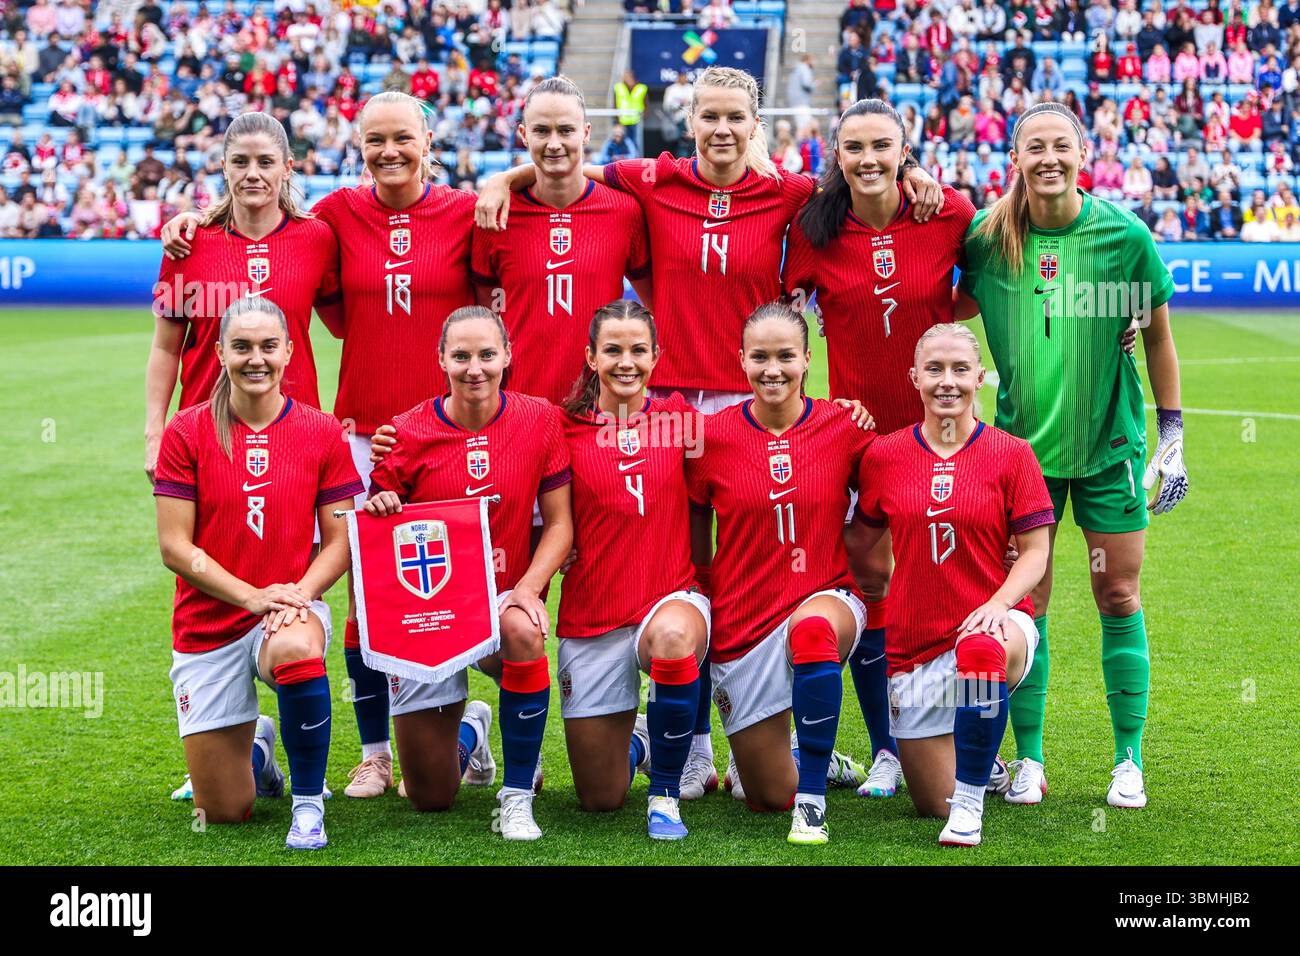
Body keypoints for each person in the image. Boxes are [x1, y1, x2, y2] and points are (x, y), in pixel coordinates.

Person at [162, 91, 478, 801]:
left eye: (404, 138)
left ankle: (465, 726)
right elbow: (321, 297)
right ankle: (371, 753)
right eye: (375, 141)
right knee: (361, 599)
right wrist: (195, 219)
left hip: (443, 432)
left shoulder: (465, 210)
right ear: (356, 147)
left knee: (445, 592)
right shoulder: (334, 216)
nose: (390, 152)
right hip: (359, 433)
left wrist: (506, 179)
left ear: (430, 139)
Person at [957, 102, 1186, 810]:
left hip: (1110, 447)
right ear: (1016, 157)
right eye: (1035, 147)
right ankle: (1029, 760)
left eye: (1061, 146)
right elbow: (942, 304)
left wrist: (1173, 435)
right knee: (1027, 604)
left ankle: (1128, 760)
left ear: (1083, 153)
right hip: (1021, 456)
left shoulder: (1124, 236)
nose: (1048, 158)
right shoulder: (987, 241)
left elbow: (1156, 337)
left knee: (1118, 594)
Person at [783, 98, 977, 802]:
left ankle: (970, 744)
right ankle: (889, 746)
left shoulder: (946, 213)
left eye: (883, 146)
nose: (868, 159)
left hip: (941, 439)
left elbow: (989, 287)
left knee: (950, 584)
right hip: (861, 444)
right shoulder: (815, 228)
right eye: (854, 147)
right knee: (873, 592)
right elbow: (782, 321)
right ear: (836, 155)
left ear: (906, 151)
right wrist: (821, 405)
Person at [153, 296, 364, 849]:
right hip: (209, 623)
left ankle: (308, 804)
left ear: (289, 352)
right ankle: (259, 751)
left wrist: (298, 595)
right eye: (242, 346)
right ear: (219, 352)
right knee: (225, 810)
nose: (256, 358)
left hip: (289, 609)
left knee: (295, 647)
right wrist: (251, 597)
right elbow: (175, 547)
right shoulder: (187, 431)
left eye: (269, 346)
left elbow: (342, 539)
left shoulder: (320, 431)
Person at [363, 307, 572, 841]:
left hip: (502, 597)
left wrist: (526, 590)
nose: (474, 367)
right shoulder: (407, 432)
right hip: (432, 610)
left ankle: (518, 793)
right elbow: (379, 532)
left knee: (523, 631)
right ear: (441, 360)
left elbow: (560, 524)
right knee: (430, 798)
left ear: (507, 355)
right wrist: (383, 502)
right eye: (461, 356)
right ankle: (472, 733)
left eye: (486, 354)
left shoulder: (541, 419)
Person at [851, 323, 1053, 846]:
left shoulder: (1012, 454)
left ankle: (969, 808)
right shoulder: (885, 456)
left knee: (981, 652)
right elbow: (861, 542)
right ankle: (982, 764)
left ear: (980, 377)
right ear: (914, 376)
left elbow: (1035, 552)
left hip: (993, 625)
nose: (948, 381)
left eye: (961, 370)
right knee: (927, 804)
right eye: (935, 369)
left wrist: (1000, 604)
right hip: (915, 644)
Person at [687, 302, 875, 846]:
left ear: (808, 360)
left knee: (813, 631)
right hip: (743, 623)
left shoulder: (845, 425)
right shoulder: (709, 438)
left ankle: (812, 803)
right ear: (740, 360)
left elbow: (898, 488)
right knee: (766, 796)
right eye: (760, 357)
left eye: (786, 357)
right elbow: (695, 536)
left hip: (824, 598)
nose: (773, 369)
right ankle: (798, 757)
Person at [554, 301, 711, 839]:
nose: (627, 362)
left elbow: (756, 448)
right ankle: (644, 739)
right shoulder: (562, 427)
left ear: (656, 356)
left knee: (671, 638)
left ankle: (665, 793)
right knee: (601, 798)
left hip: (670, 600)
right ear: (591, 357)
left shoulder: (682, 421)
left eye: (638, 350)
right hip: (594, 611)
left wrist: (844, 413)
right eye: (613, 350)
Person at [146, 112, 339, 482]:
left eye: (265, 162)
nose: (253, 173)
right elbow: (165, 349)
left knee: (298, 542)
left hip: (295, 434)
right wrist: (155, 434)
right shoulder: (187, 243)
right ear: (223, 167)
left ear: (287, 168)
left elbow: (346, 325)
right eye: (240, 161)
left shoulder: (317, 239)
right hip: (204, 435)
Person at [470, 77, 651, 407]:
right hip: (520, 411)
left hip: (600, 411)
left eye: (566, 130)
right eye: (541, 131)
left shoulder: (624, 211)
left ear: (585, 132)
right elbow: (486, 321)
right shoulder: (495, 215)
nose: (554, 143)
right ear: (524, 136)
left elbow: (655, 306)